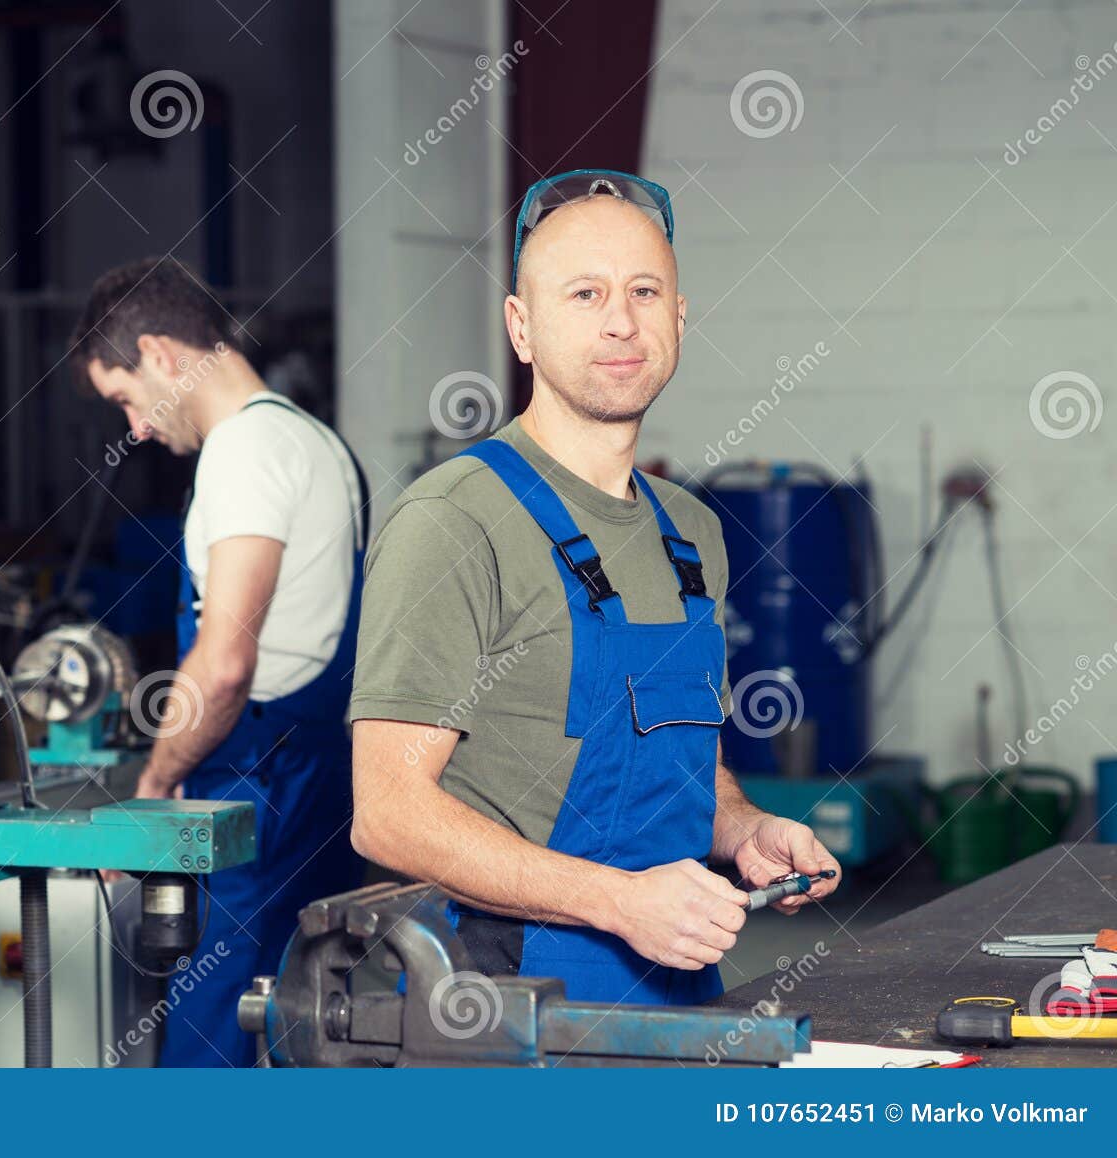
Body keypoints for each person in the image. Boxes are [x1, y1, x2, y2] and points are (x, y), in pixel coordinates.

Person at [348, 170, 841, 1006]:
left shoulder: (693, 532)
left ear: (680, 320)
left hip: (677, 992)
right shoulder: (453, 521)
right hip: (497, 1010)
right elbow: (388, 814)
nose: (621, 321)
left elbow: (686, 764)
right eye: (584, 293)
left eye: (645, 291)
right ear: (522, 327)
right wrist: (620, 902)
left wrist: (744, 829)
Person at [68, 257, 367, 1065]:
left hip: (251, 788)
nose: (133, 426)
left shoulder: (243, 452)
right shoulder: (315, 440)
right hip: (318, 773)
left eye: (126, 398)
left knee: (209, 1029)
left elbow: (226, 662)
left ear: (162, 355)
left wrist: (157, 783)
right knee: (300, 1020)